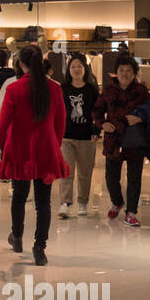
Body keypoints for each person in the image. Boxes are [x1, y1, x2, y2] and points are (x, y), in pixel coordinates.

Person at [0, 45, 69, 265]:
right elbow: (60, 123)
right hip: (46, 149)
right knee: (43, 202)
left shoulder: (14, 89)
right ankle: (39, 247)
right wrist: (55, 144)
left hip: (19, 150)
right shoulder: (54, 88)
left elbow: (3, 124)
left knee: (19, 195)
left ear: (20, 63)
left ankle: (17, 236)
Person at [92, 55, 150, 227]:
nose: (125, 73)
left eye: (128, 70)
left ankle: (131, 212)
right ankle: (117, 202)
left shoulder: (141, 91)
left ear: (134, 72)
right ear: (115, 73)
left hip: (135, 140)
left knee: (134, 178)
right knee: (111, 177)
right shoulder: (109, 91)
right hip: (113, 141)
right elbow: (97, 110)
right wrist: (102, 124)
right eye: (121, 70)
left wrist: (140, 119)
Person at [59, 53, 100, 218]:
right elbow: (57, 112)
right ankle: (65, 203)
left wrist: (96, 130)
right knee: (66, 171)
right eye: (73, 67)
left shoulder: (91, 89)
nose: (76, 70)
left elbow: (98, 112)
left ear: (85, 69)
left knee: (85, 172)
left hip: (86, 136)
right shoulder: (63, 89)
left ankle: (83, 202)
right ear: (69, 70)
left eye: (80, 66)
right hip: (66, 136)